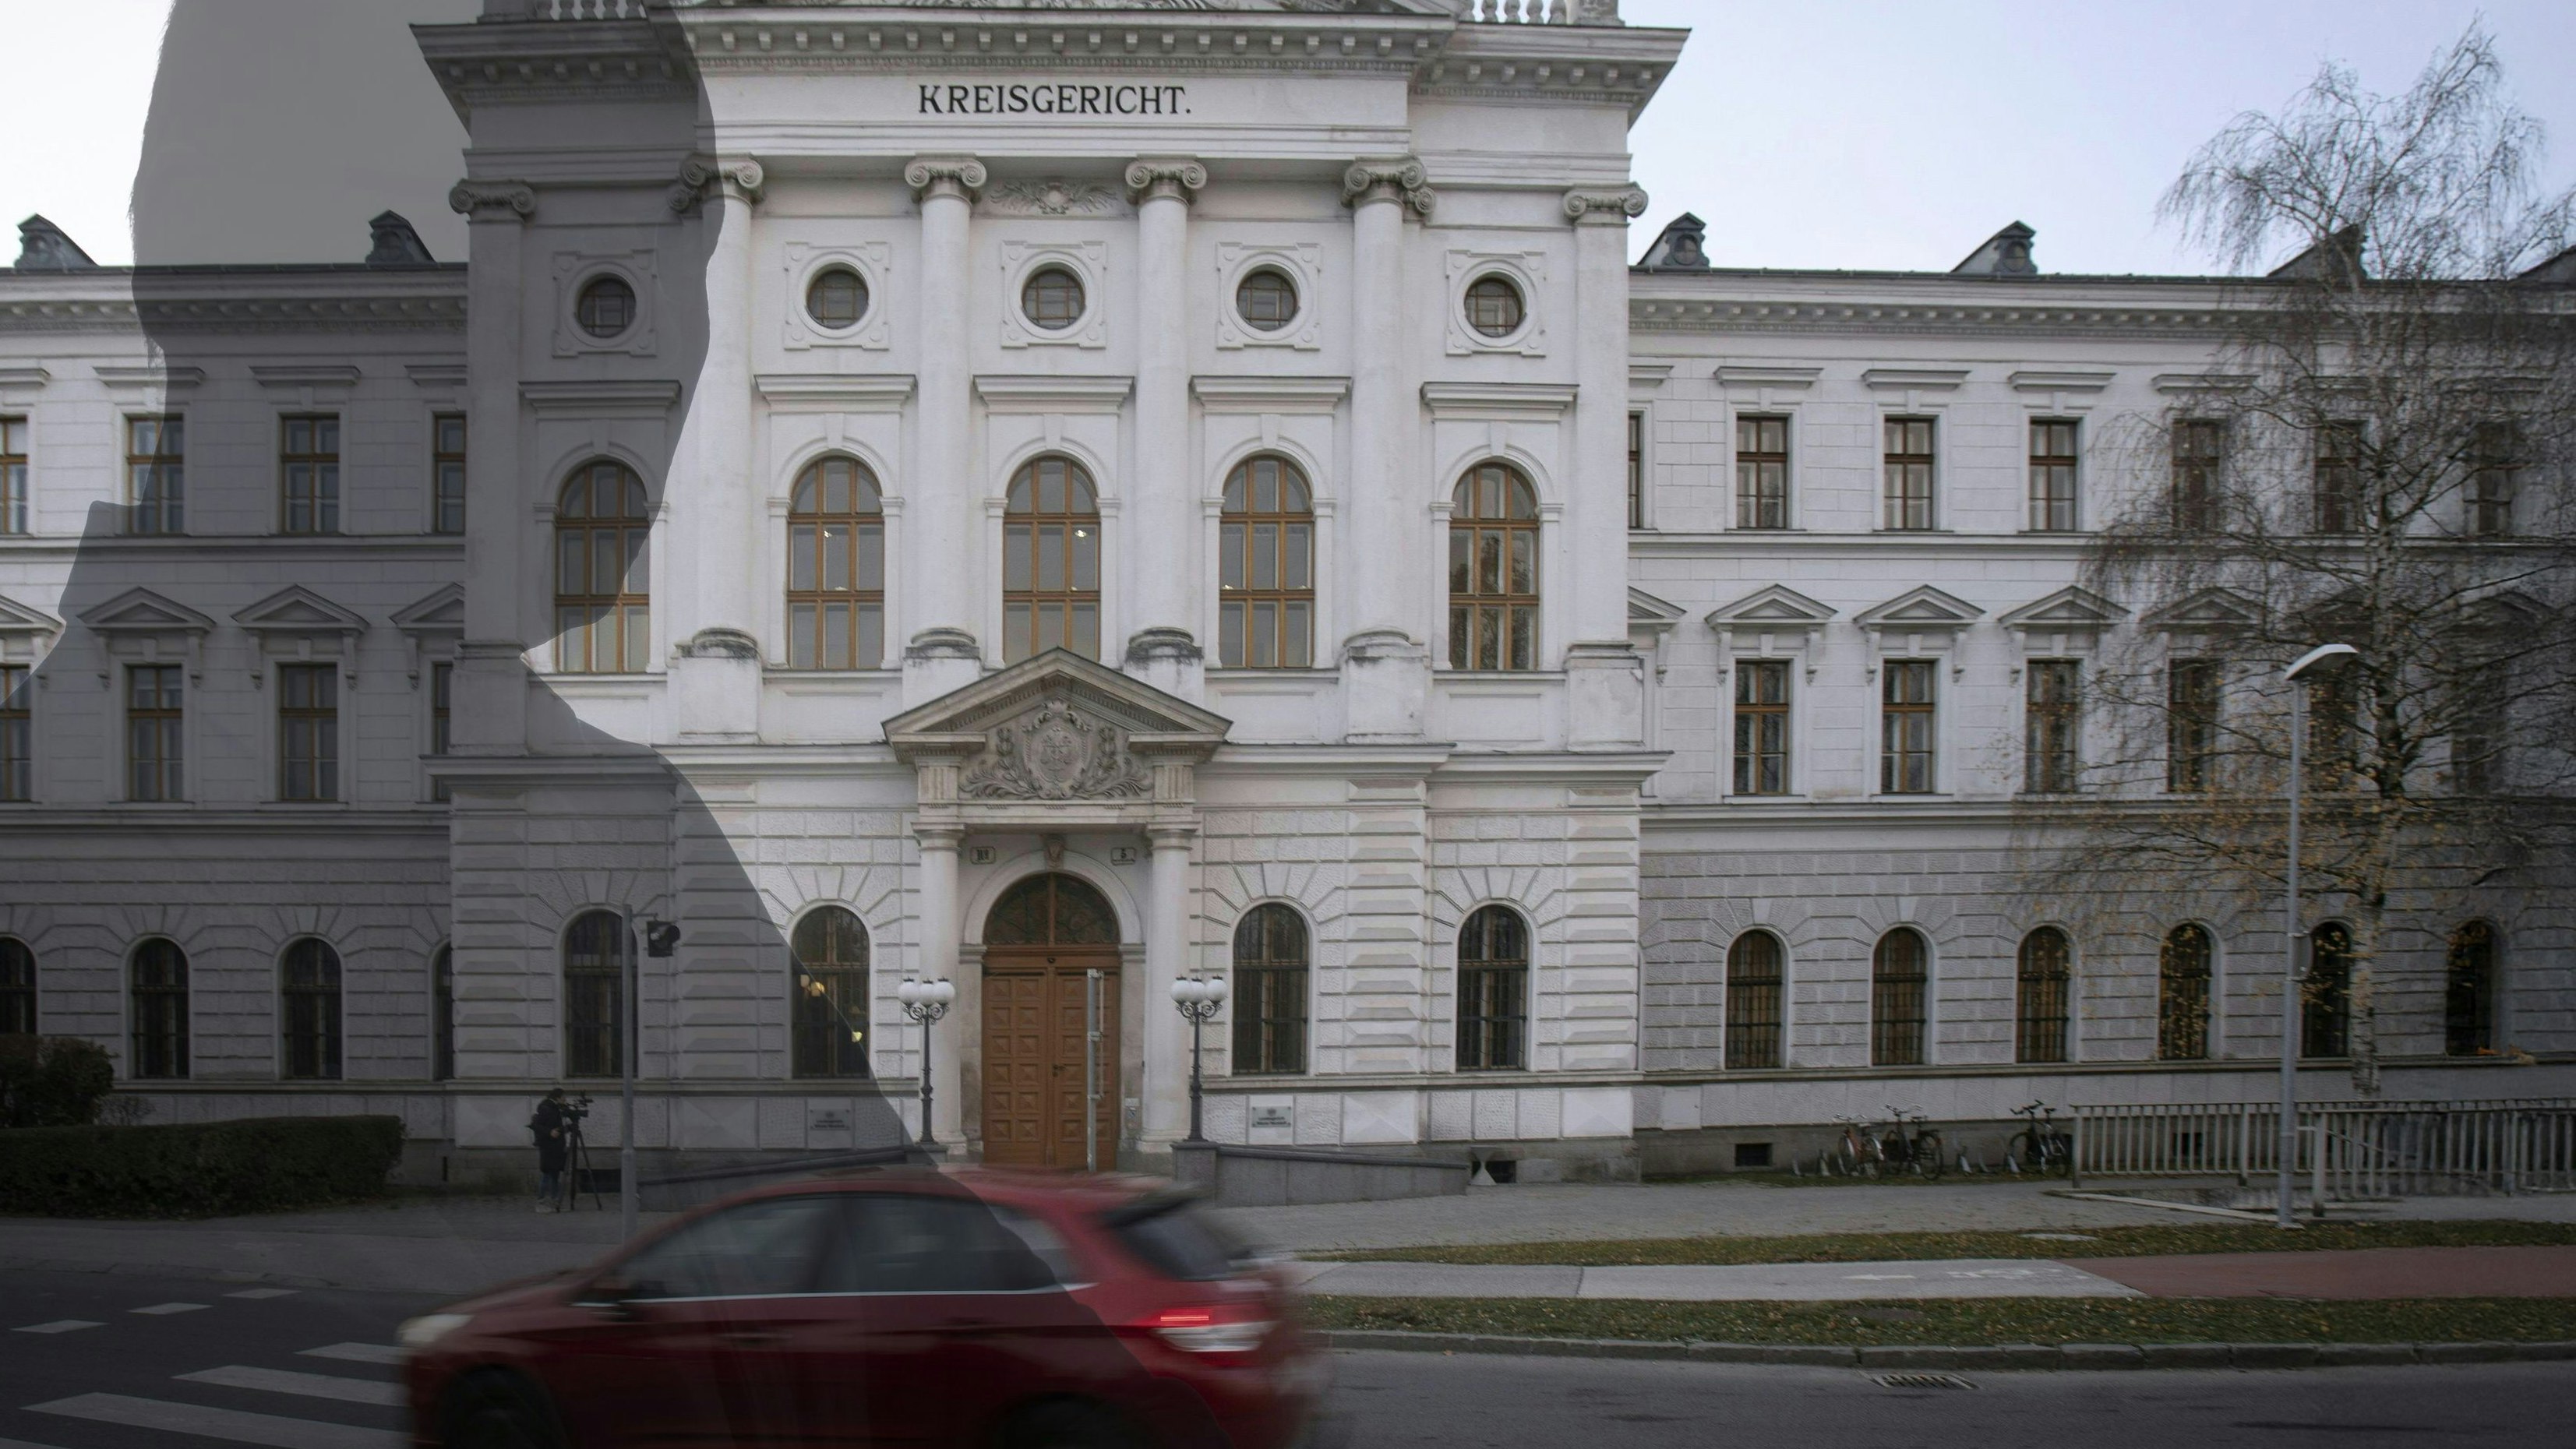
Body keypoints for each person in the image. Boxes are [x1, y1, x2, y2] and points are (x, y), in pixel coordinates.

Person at [529, 1088, 570, 1212]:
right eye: (563, 1097)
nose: (565, 1099)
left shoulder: (556, 1108)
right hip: (548, 1146)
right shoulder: (546, 1108)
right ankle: (541, 1202)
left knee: (554, 1174)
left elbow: (556, 1126)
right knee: (547, 1174)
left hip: (556, 1146)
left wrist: (565, 1128)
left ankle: (554, 1201)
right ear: (557, 1097)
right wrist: (550, 1132)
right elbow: (536, 1126)